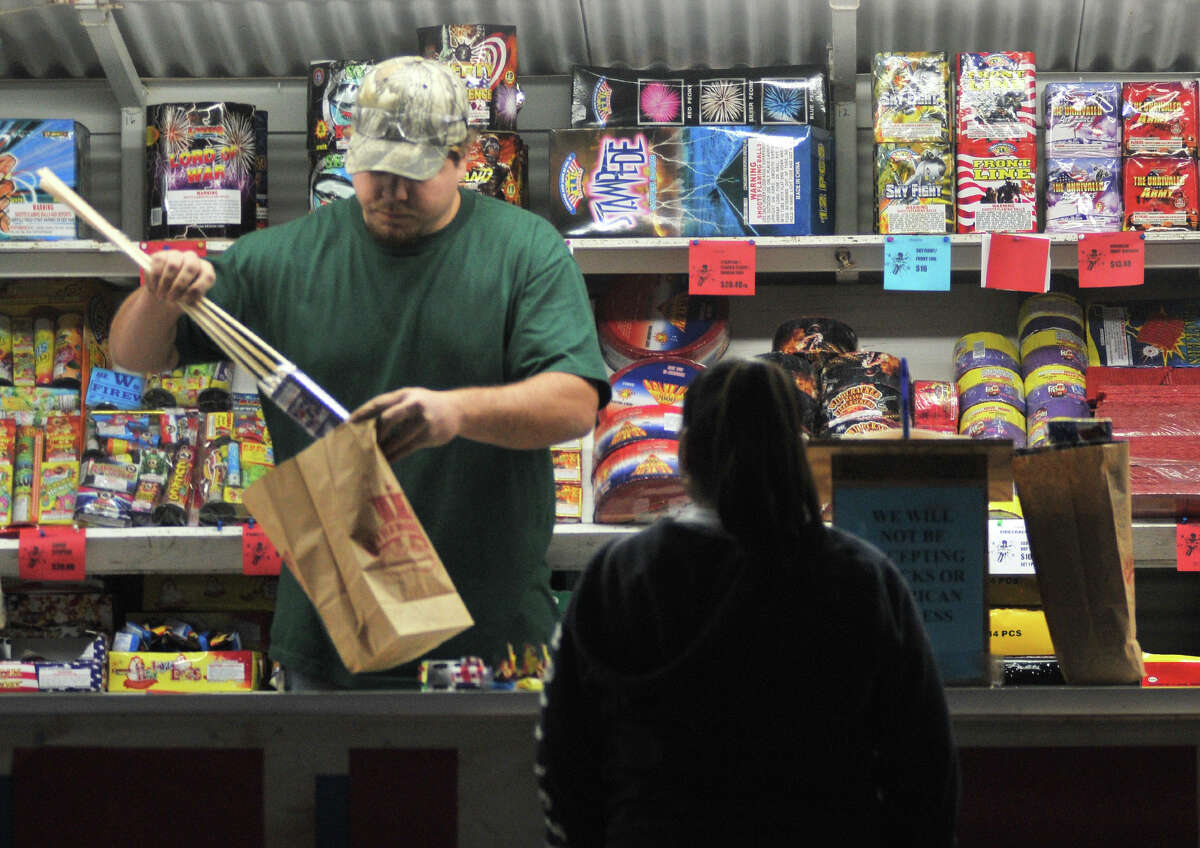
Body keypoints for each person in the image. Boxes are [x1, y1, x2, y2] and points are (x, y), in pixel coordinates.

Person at [108, 56, 611, 688]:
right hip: (332, 639)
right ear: (348, 145)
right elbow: (133, 355)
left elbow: (572, 406)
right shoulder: (279, 260)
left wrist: (455, 414)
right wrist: (158, 294)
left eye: (416, 173)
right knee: (324, 791)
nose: (392, 192)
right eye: (376, 169)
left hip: (495, 642)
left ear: (466, 157)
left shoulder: (525, 251)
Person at [537, 357, 959, 846]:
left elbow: (565, 755)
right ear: (796, 453)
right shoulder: (862, 577)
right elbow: (926, 768)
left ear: (686, 453)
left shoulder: (617, 576)